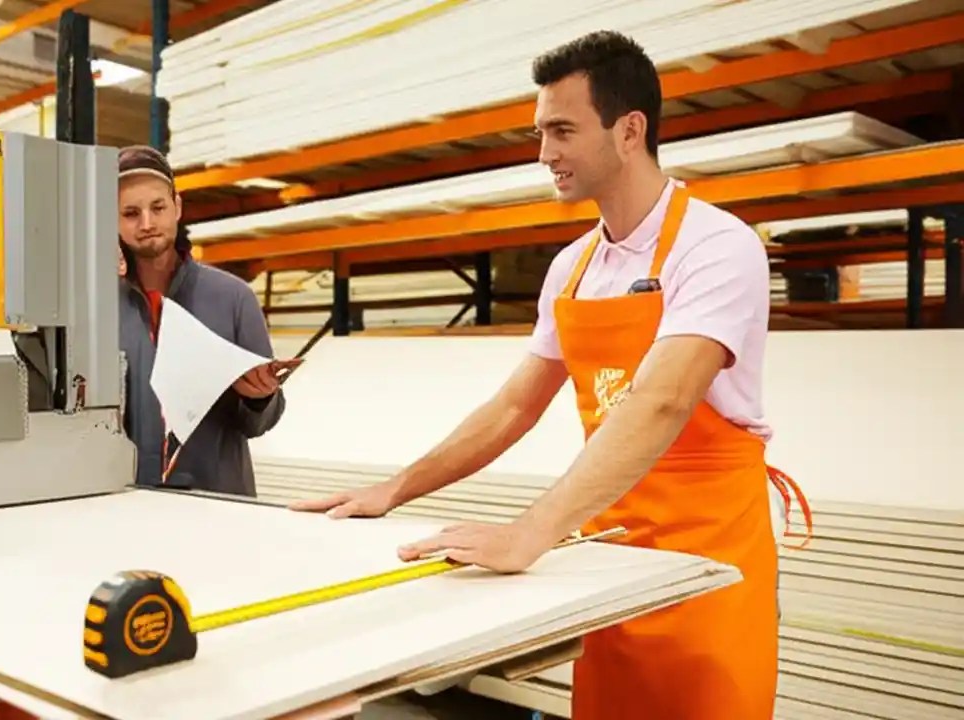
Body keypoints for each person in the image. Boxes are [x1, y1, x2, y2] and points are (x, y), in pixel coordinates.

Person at [291, 31, 787, 719]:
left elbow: (663, 400)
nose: (544, 154)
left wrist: (534, 531)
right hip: (608, 559)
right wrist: (393, 489)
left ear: (629, 131)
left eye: (561, 130)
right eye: (539, 132)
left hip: (708, 562)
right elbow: (513, 408)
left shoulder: (717, 246)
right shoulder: (575, 267)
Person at [117, 144, 291, 497]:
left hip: (220, 502)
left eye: (158, 207)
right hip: (128, 506)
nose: (147, 223)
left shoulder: (233, 298)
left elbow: (262, 422)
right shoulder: (94, 309)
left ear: (177, 208)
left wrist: (259, 399)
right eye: (131, 213)